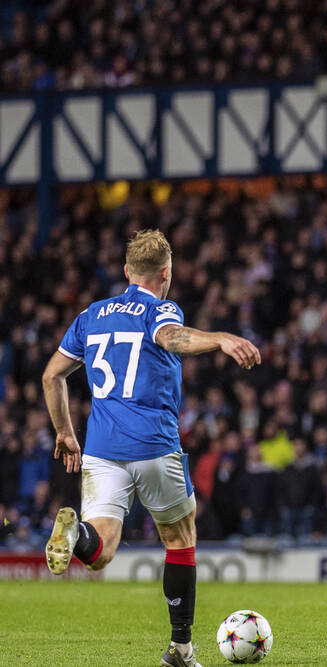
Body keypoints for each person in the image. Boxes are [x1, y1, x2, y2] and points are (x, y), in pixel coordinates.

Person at [41, 230, 261, 667]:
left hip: (101, 449)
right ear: (166, 273)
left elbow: (52, 376)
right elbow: (172, 337)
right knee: (179, 539)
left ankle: (75, 533)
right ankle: (181, 649)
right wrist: (220, 338)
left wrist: (64, 432)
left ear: (126, 271)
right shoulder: (159, 309)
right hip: (152, 445)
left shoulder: (90, 315)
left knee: (100, 552)